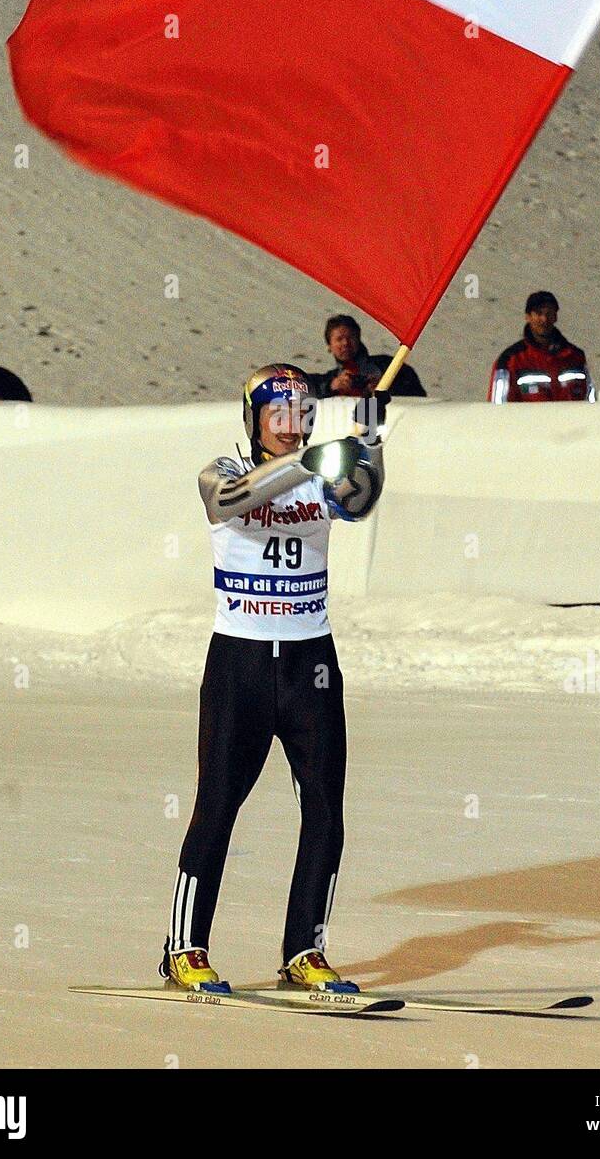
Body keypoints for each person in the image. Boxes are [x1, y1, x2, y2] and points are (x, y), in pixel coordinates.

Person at [159, 363, 389, 995]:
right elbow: (230, 503)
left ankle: (304, 950)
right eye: (278, 415)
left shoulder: (319, 476)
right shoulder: (224, 472)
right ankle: (185, 949)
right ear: (254, 421)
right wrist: (313, 462)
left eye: (302, 414)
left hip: (310, 663)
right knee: (218, 804)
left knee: (323, 809)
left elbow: (362, 499)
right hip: (241, 663)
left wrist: (369, 439)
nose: (292, 427)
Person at [489, 292, 595, 403]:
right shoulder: (510, 361)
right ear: (528, 317)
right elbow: (497, 410)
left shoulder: (575, 357)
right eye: (539, 313)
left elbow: (591, 401)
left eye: (549, 313)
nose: (544, 319)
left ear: (555, 316)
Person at [313, 313, 426, 398]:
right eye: (339, 339)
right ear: (329, 345)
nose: (345, 343)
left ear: (358, 339)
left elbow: (417, 398)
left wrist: (387, 388)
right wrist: (330, 387)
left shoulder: (388, 366)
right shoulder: (328, 380)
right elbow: (302, 392)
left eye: (350, 337)